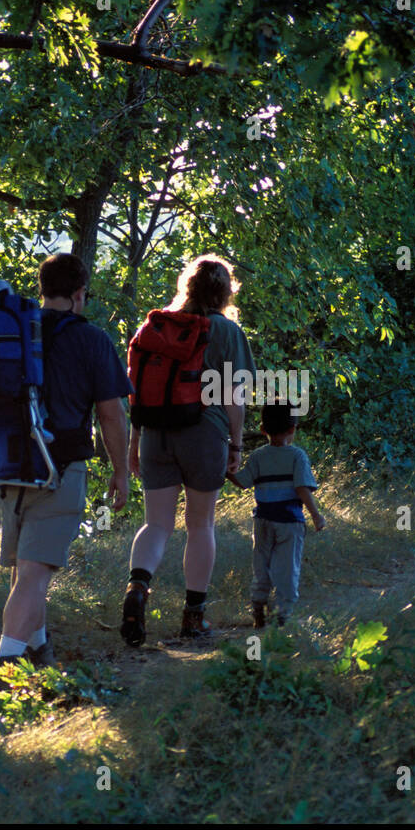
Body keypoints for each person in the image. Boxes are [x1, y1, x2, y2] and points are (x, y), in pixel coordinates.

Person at [0, 255, 131, 695]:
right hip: (57, 469)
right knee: (35, 574)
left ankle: (42, 659)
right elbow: (112, 415)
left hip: (3, 466)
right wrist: (122, 471)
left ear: (41, 288)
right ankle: (0, 678)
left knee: (26, 571)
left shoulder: (14, 331)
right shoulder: (92, 340)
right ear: (80, 294)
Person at [121, 254, 254, 643]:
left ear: (187, 288)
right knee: (201, 524)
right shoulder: (227, 332)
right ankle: (193, 618)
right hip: (204, 433)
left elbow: (138, 393)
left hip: (155, 433)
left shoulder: (159, 327)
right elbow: (234, 395)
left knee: (156, 523)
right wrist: (237, 444)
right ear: (226, 292)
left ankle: (137, 590)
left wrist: (134, 443)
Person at [227, 402, 325, 627]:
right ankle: (283, 613)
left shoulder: (258, 456)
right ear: (293, 429)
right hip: (290, 522)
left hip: (262, 520)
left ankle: (258, 607)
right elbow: (302, 488)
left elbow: (242, 483)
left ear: (263, 429)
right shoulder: (297, 456)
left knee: (261, 564)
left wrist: (224, 467)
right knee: (287, 567)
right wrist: (316, 515)